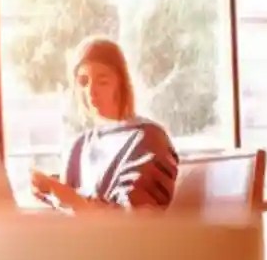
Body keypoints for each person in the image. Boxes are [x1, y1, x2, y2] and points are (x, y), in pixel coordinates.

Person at [30, 36, 179, 212]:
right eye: (83, 82)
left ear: (121, 84)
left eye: (102, 81)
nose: (91, 91)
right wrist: (49, 192)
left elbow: (135, 221)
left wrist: (69, 198)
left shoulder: (148, 139)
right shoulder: (79, 145)